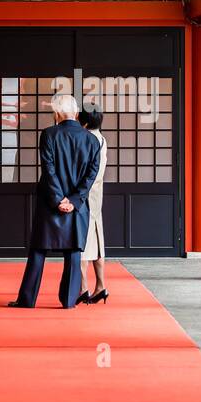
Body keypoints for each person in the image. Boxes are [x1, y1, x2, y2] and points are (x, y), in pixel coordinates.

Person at [7, 93, 101, 309]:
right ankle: (68, 301)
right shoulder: (92, 140)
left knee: (38, 251)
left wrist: (59, 199)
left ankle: (27, 300)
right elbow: (91, 175)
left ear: (56, 113)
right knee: (73, 254)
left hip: (50, 204)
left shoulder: (49, 134)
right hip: (77, 208)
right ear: (76, 113)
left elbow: (48, 170)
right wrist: (74, 200)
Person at [77, 103, 109, 304]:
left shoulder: (87, 139)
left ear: (85, 122)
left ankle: (83, 287)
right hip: (97, 193)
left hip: (85, 194)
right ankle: (101, 285)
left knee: (82, 240)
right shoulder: (102, 139)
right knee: (97, 239)